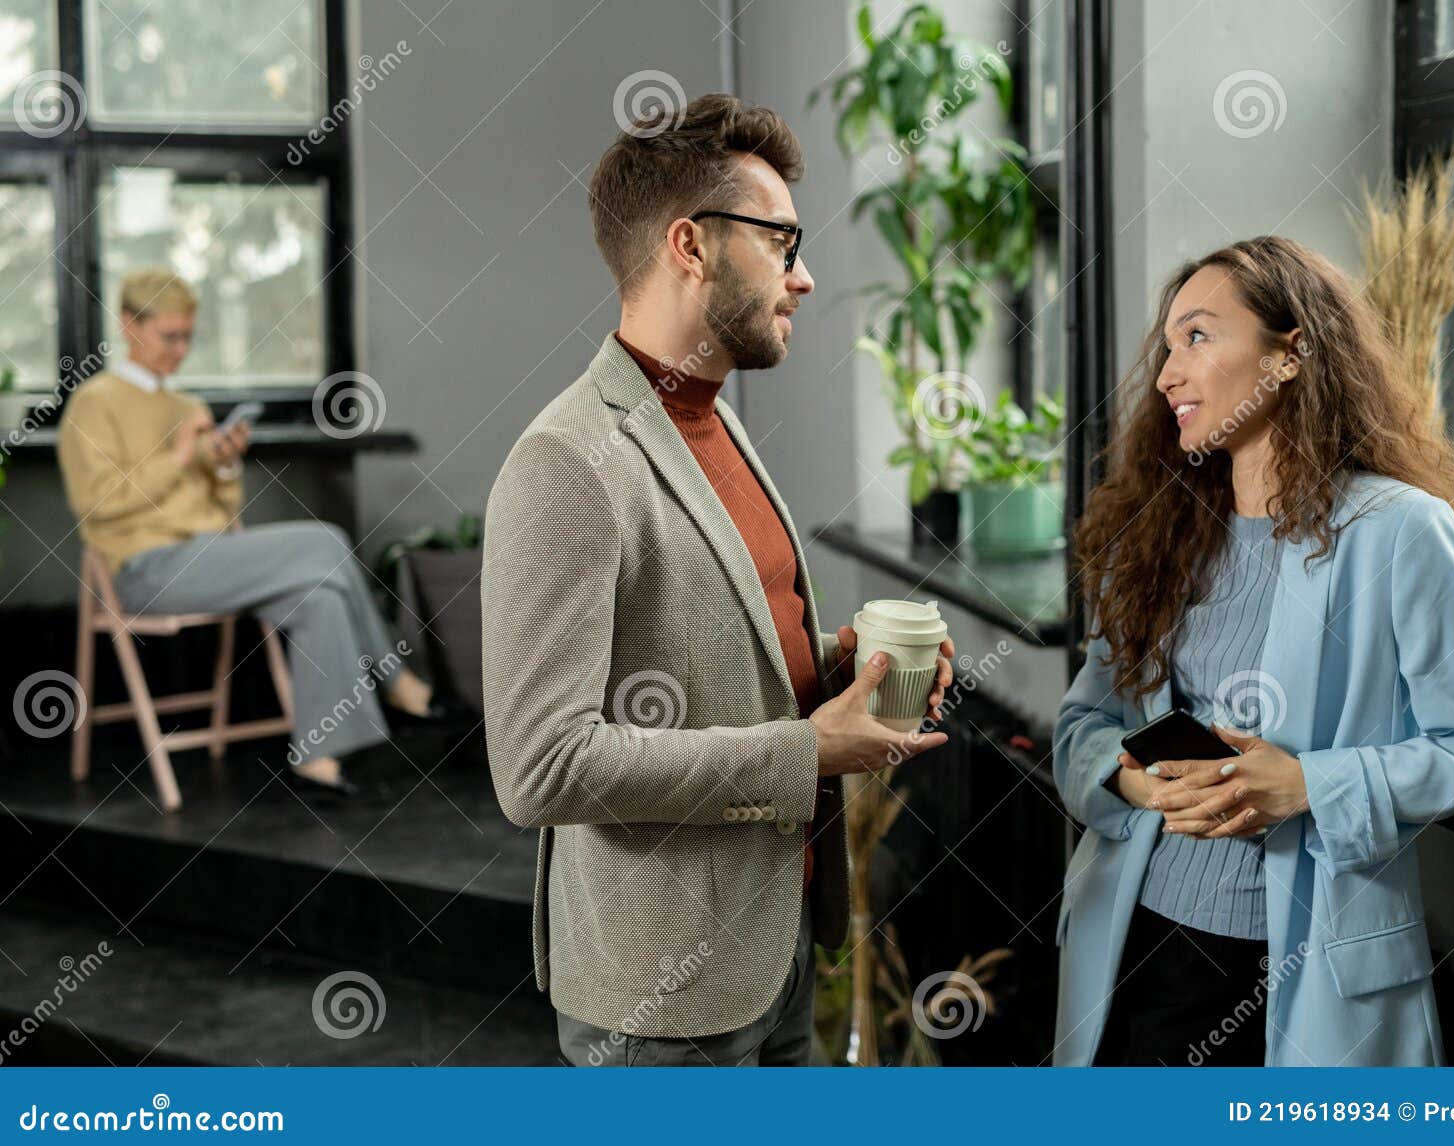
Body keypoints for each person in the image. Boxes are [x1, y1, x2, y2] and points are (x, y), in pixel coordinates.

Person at [481, 93, 956, 1067]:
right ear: (690, 246)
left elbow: (717, 642)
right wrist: (804, 749)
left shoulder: (710, 416)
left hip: (773, 939)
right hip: (662, 996)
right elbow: (540, 769)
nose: (806, 274)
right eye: (782, 240)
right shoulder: (568, 461)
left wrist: (841, 667)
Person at [1051, 235, 1454, 1067]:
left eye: (1199, 337)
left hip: (1294, 969)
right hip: (1134, 939)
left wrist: (1307, 783)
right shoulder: (1164, 532)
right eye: (1168, 345)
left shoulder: (1397, 531)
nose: (1169, 371)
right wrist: (1132, 776)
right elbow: (1083, 725)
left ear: (1289, 356)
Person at [57, 268, 444, 796]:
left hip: (214, 557)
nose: (182, 349)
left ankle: (317, 759)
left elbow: (221, 509)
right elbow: (97, 505)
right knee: (325, 538)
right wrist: (180, 456)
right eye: (169, 336)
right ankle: (397, 680)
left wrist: (221, 465)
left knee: (320, 595)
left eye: (189, 335)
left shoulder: (187, 406)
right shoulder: (94, 404)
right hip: (145, 569)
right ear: (128, 325)